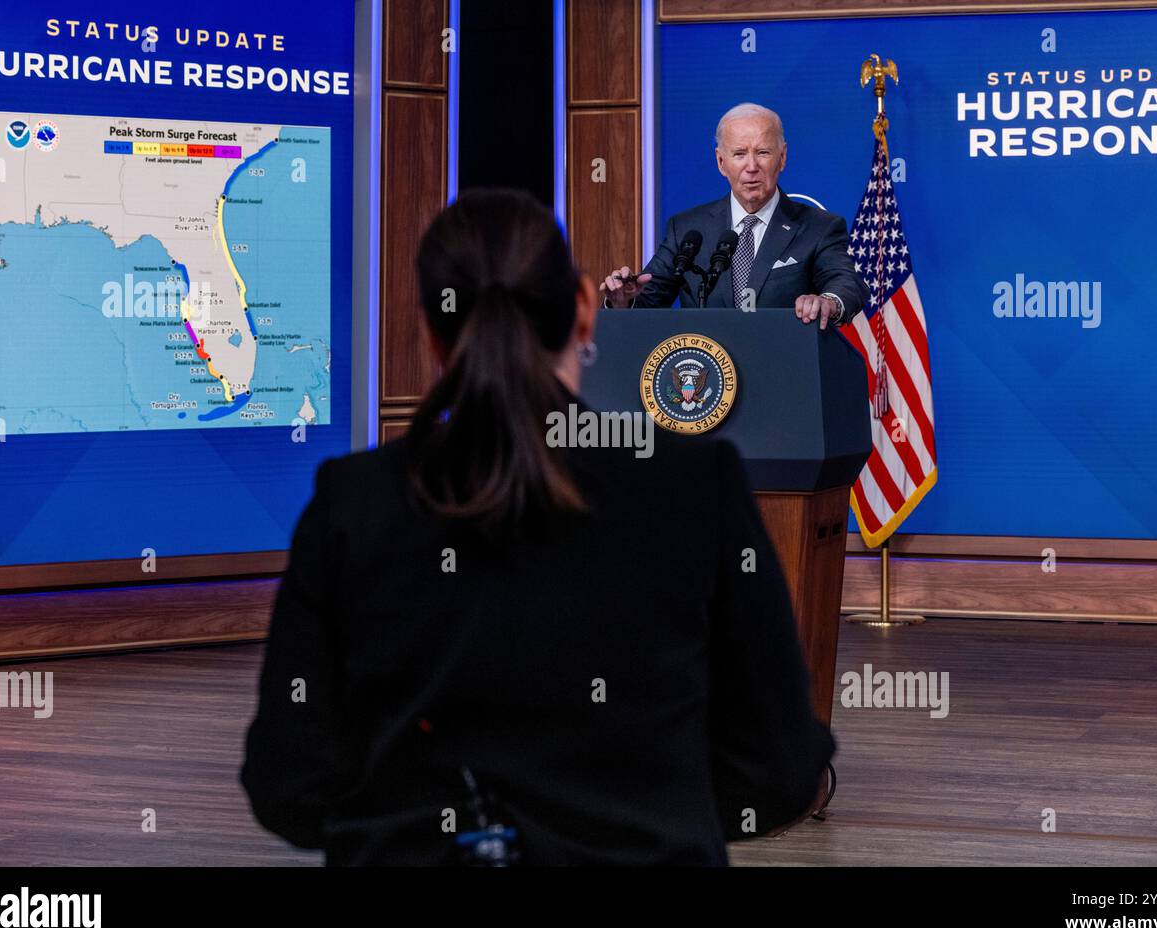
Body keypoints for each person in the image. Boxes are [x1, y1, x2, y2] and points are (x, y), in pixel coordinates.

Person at [241, 188, 834, 865]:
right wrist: (659, 815)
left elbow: (286, 784)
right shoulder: (697, 486)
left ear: (429, 331)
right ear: (585, 310)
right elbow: (780, 770)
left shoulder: (353, 501)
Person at [602, 103, 869, 329]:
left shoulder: (818, 227)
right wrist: (623, 300)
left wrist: (829, 302)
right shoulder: (686, 229)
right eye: (739, 154)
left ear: (782, 157)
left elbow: (847, 283)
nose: (751, 166)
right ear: (721, 162)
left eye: (763, 152)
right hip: (706, 383)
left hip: (786, 378)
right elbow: (649, 299)